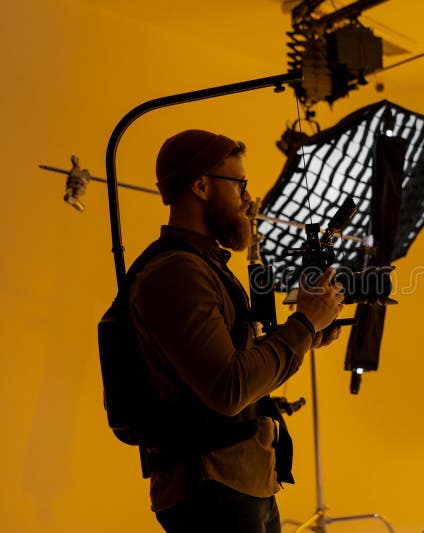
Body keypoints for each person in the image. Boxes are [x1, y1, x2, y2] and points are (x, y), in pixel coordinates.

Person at [128, 129, 343, 533]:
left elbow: (229, 368)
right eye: (239, 183)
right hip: (211, 490)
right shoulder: (177, 273)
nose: (248, 197)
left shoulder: (203, 266)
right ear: (201, 185)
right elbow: (228, 389)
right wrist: (302, 323)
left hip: (242, 481)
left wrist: (308, 335)